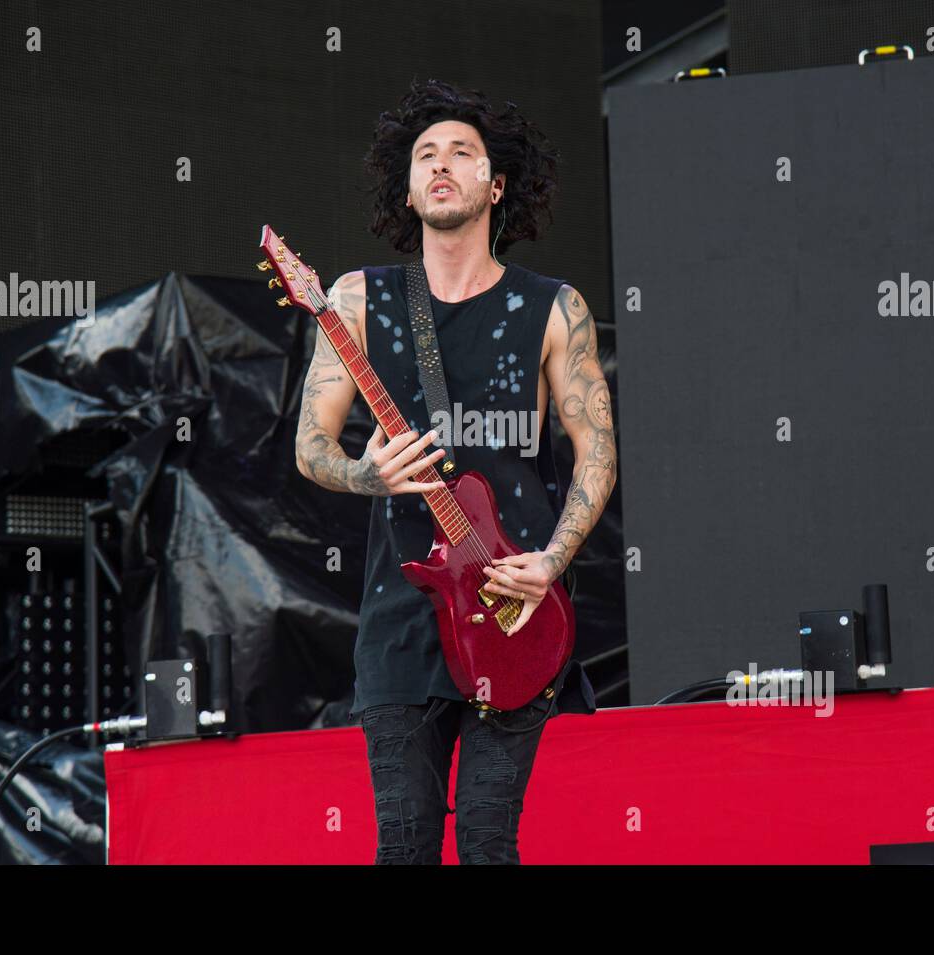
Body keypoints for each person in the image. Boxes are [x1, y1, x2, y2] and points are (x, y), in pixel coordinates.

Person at [294, 78, 617, 864]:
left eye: (461, 153)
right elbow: (310, 446)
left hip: (515, 604)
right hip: (402, 618)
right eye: (425, 155)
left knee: (486, 839)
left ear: (495, 183)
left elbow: (597, 448)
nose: (441, 164)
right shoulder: (357, 299)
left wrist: (552, 561)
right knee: (403, 843)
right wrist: (368, 475)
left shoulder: (554, 307)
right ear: (407, 190)